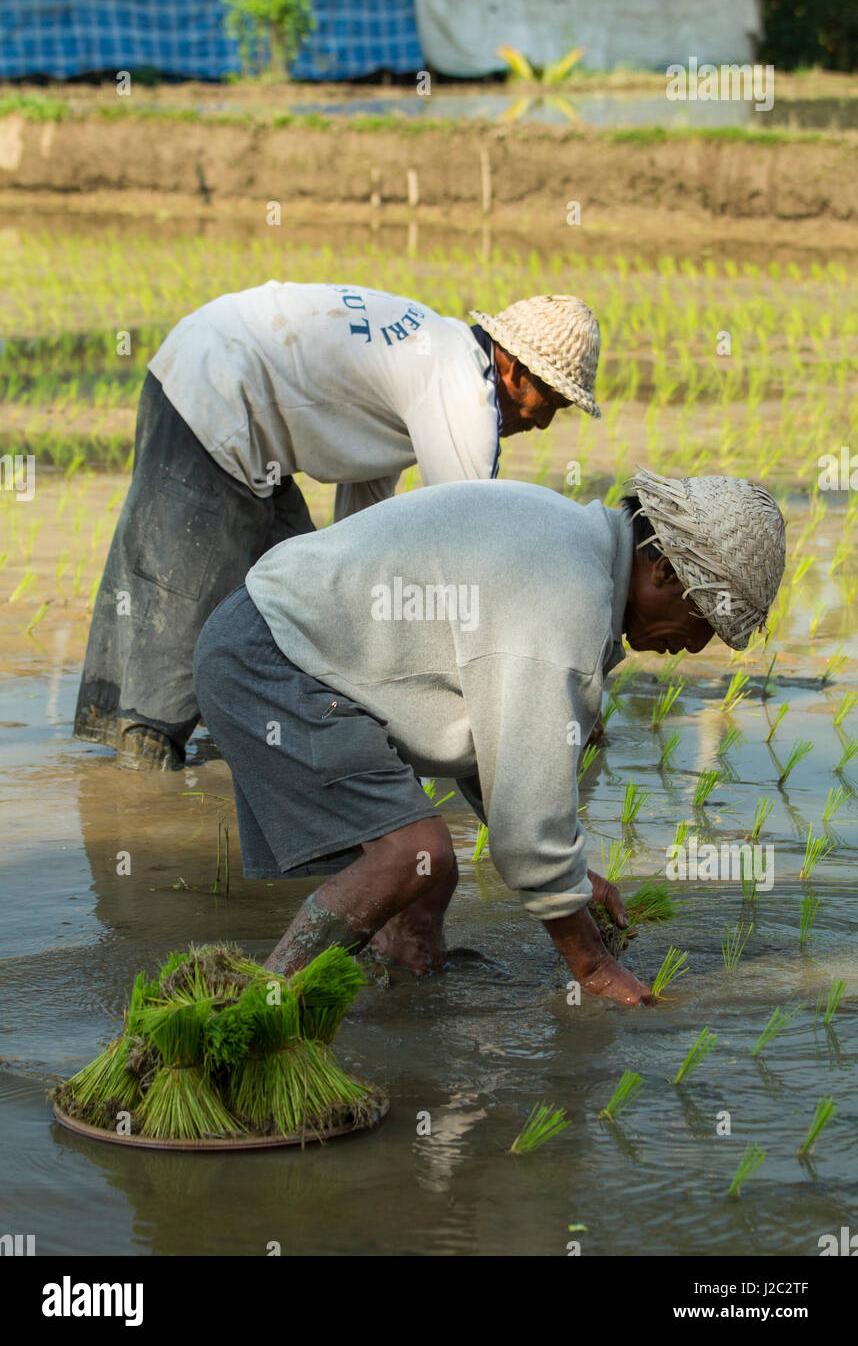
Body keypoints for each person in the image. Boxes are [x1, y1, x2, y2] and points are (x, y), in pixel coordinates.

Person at [192, 469, 786, 1007]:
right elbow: (529, 821)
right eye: (706, 619)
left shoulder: (571, 546)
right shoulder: (565, 596)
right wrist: (594, 966)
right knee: (409, 857)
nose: (696, 645)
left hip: (282, 642)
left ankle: (408, 1006)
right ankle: (257, 1014)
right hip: (271, 657)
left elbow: (498, 756)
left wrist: (573, 882)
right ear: (662, 571)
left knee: (429, 869)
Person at [73, 285, 600, 771]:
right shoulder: (463, 393)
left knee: (292, 589)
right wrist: (542, 682)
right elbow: (472, 547)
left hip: (227, 385)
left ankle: (243, 723)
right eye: (549, 401)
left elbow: (358, 536)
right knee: (186, 587)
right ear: (513, 369)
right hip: (217, 390)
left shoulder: (434, 362)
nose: (544, 421)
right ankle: (141, 765)